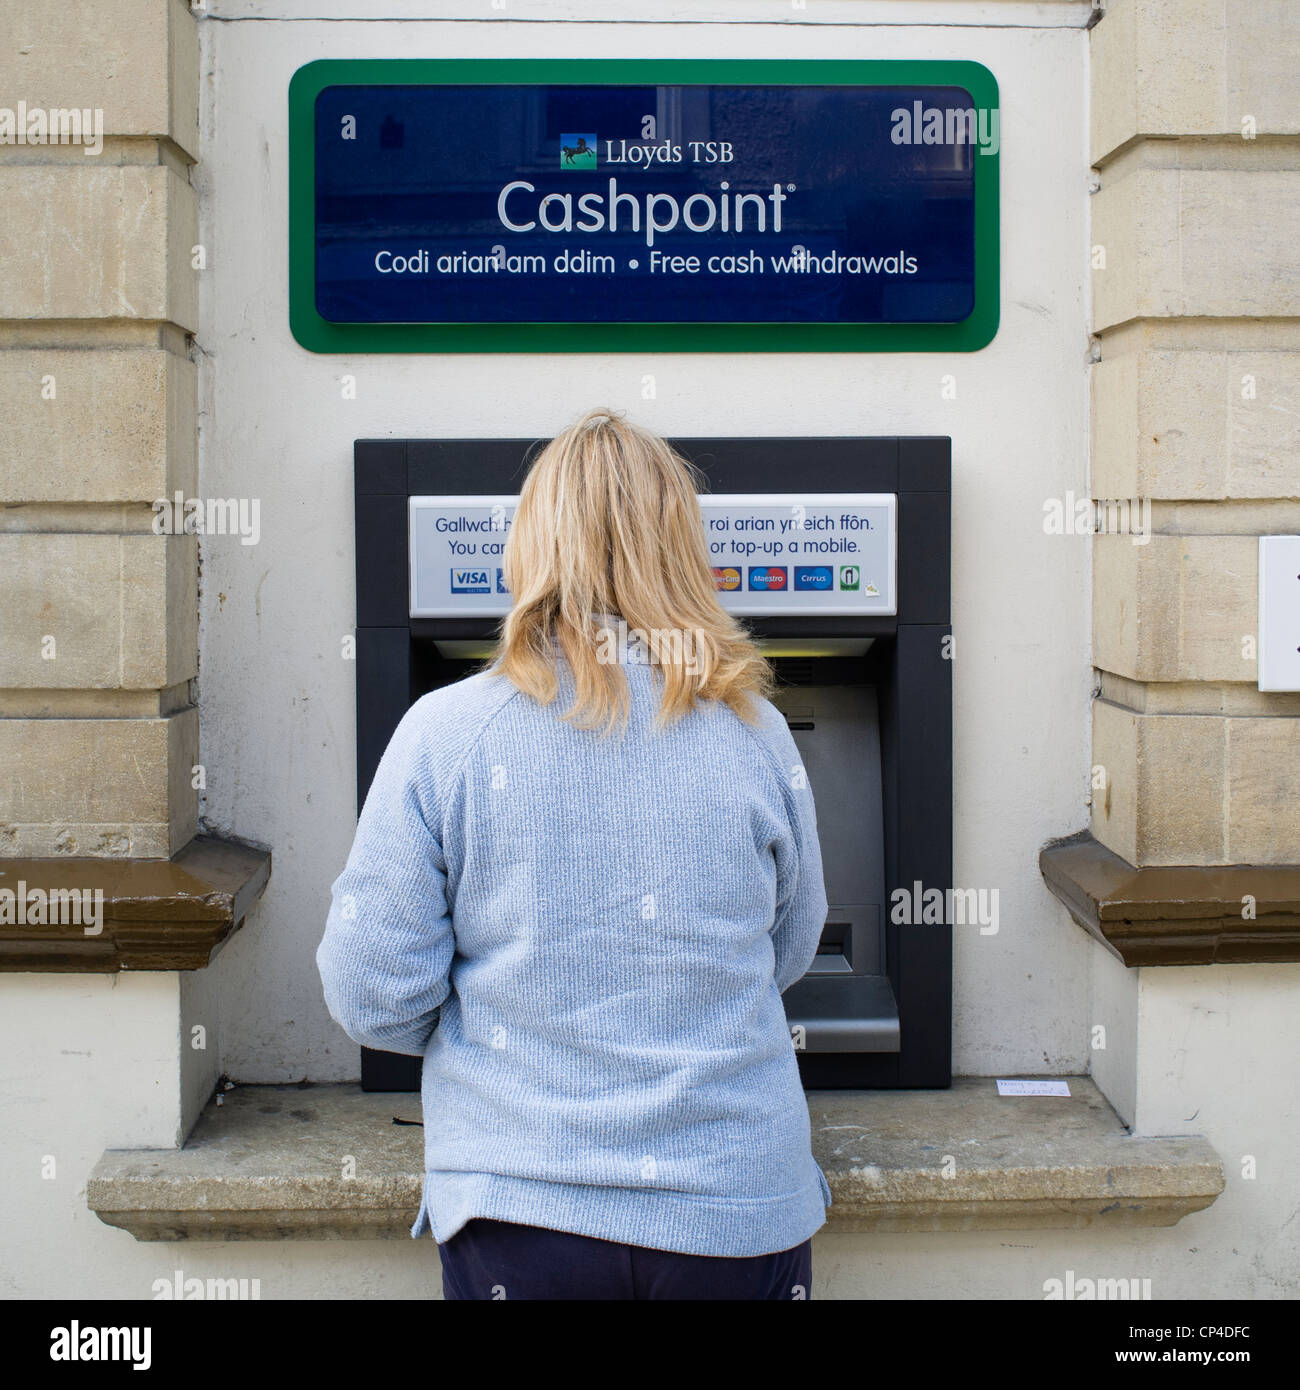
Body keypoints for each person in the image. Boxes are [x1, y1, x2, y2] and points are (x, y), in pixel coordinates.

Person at [317, 407, 830, 1300]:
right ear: (681, 547)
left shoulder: (447, 733)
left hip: (524, 1215)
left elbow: (373, 994)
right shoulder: (756, 730)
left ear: (529, 543)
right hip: (735, 1208)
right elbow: (788, 948)